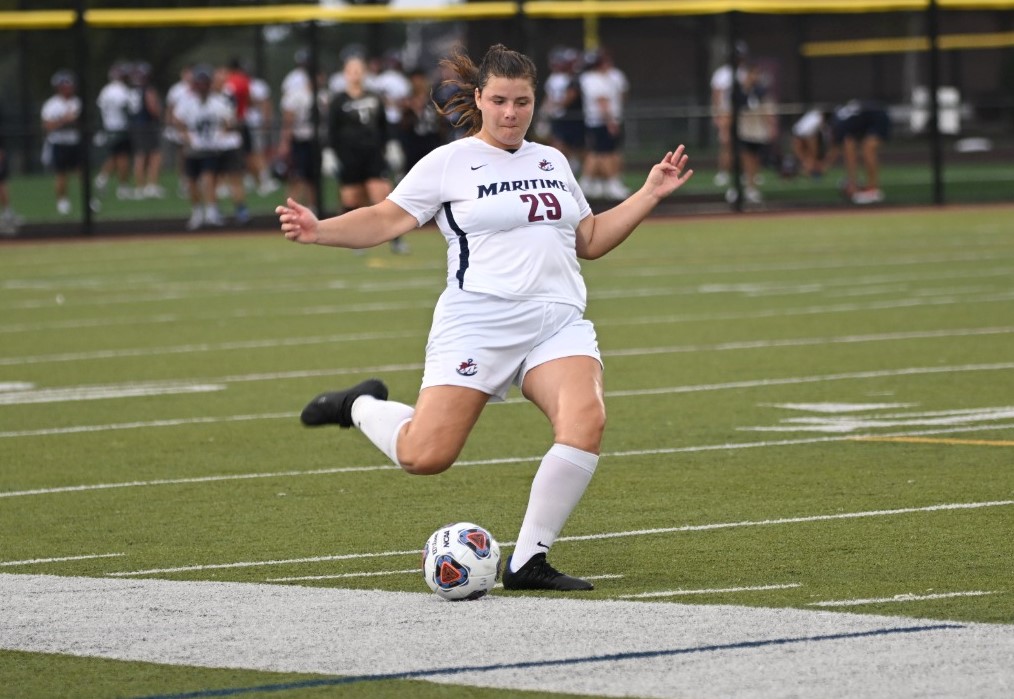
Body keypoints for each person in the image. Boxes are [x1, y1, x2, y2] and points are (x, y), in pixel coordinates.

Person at [275, 44, 693, 591]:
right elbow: (383, 220)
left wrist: (648, 194)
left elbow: (588, 240)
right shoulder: (449, 162)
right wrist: (319, 228)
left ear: (535, 100)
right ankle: (361, 405)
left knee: (585, 422)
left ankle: (527, 560)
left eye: (522, 101)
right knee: (425, 456)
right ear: (479, 98)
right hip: (479, 322)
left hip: (557, 321)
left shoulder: (552, 160)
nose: (511, 113)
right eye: (499, 101)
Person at [328, 54, 408, 254]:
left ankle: (395, 239)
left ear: (363, 72)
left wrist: (391, 145)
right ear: (345, 73)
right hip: (349, 156)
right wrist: (328, 152)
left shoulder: (374, 97)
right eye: (351, 70)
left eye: (358, 70)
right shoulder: (338, 101)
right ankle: (355, 241)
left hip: (373, 154)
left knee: (382, 196)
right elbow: (330, 130)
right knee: (351, 200)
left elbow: (384, 125)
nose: (355, 74)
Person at [579, 48, 629, 200]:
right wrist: (610, 121)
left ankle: (596, 183)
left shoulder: (604, 77)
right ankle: (608, 184)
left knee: (604, 152)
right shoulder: (592, 79)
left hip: (603, 121)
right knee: (604, 153)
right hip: (599, 122)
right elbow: (602, 102)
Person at [827, 99, 890, 204]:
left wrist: (852, 181)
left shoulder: (839, 129)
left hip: (877, 117)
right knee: (867, 148)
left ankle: (873, 190)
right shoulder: (839, 122)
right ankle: (871, 188)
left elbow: (850, 156)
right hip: (874, 113)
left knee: (868, 150)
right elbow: (836, 150)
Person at [40, 70, 83, 216]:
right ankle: (62, 202)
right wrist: (64, 120)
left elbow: (81, 122)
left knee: (81, 172)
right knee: (61, 174)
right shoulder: (51, 104)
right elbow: (47, 126)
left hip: (74, 142)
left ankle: (87, 199)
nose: (69, 87)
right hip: (59, 143)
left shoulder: (77, 101)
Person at [94, 61, 136, 201]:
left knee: (114, 157)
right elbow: (129, 109)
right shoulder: (123, 91)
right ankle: (123, 187)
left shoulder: (105, 90)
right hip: (120, 127)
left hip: (108, 127)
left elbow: (100, 108)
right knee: (123, 158)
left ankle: (102, 178)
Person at [710, 41, 749, 188]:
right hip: (726, 112)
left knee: (745, 144)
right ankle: (724, 173)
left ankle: (745, 173)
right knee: (726, 143)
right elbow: (716, 95)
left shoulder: (744, 72)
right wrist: (717, 114)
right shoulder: (721, 73)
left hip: (743, 113)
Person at [128, 61, 166, 199]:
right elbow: (153, 108)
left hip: (137, 125)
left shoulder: (133, 90)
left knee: (140, 155)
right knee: (154, 155)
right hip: (147, 125)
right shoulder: (147, 89)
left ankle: (140, 186)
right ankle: (151, 185)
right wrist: (160, 115)